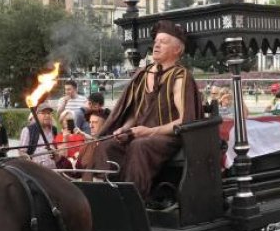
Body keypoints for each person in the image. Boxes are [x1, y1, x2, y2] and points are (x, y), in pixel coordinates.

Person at [86, 21, 203, 198]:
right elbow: (136, 112)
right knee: (106, 145)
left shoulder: (180, 76)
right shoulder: (143, 73)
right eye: (156, 41)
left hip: (169, 137)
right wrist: (125, 128)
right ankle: (104, 196)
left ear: (177, 50)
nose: (157, 45)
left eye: (163, 42)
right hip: (140, 133)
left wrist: (149, 131)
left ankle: (133, 199)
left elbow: (184, 120)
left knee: (138, 146)